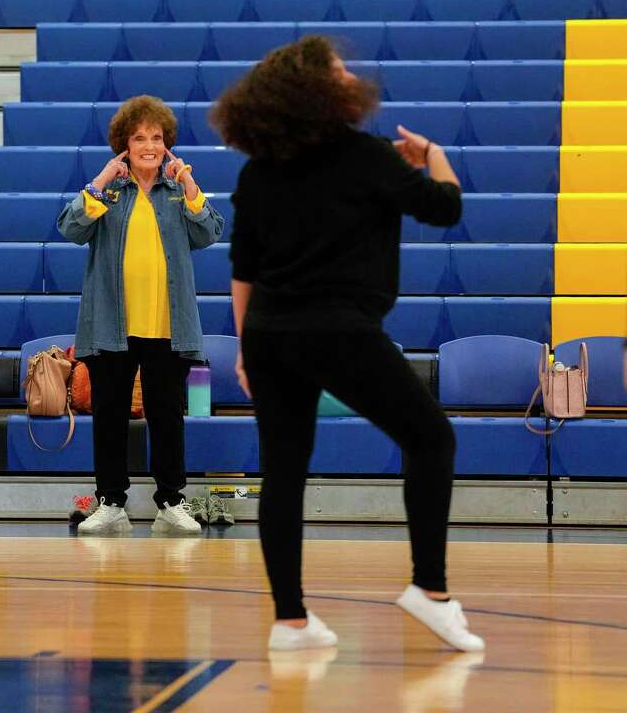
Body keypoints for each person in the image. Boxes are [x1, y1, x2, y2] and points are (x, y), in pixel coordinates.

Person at [210, 36, 484, 653]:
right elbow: (444, 207)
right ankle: (431, 590)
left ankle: (290, 621)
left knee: (283, 472)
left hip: (271, 334)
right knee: (431, 437)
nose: (349, 74)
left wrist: (246, 349)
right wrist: (433, 153)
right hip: (336, 329)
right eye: (337, 70)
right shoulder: (365, 157)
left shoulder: (259, 169)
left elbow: (243, 269)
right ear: (316, 89)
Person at [58, 95, 224, 536]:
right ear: (125, 145)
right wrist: (99, 180)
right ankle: (111, 502)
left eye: (156, 137)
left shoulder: (177, 191)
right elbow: (70, 229)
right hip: (112, 326)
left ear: (166, 143)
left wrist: (190, 185)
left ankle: (171, 501)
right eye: (139, 138)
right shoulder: (108, 191)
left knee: (167, 416)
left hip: (168, 327)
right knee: (109, 417)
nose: (149, 145)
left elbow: (210, 231)